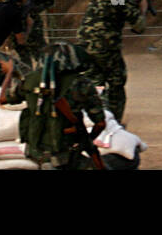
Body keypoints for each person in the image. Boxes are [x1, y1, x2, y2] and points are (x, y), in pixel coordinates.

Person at [76, 0, 158, 123]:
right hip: (105, 47)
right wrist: (143, 6)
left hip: (85, 43)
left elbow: (115, 6)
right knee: (116, 83)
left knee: (95, 83)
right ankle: (112, 122)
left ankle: (91, 120)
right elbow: (139, 27)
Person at [11, 42, 109, 170]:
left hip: (35, 150)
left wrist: (10, 73)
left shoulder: (30, 80)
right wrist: (86, 140)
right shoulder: (82, 84)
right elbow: (100, 123)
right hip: (67, 150)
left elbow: (8, 98)